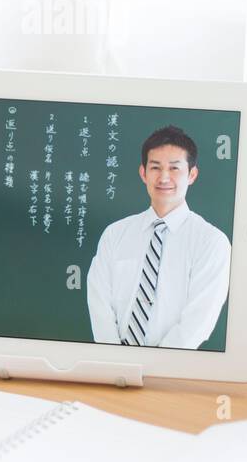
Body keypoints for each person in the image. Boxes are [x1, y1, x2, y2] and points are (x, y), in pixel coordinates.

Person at [86, 125, 230, 349]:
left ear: (192, 174)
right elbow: (99, 303)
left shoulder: (211, 242)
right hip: (110, 365)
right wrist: (114, 358)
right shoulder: (115, 234)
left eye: (174, 168)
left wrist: (157, 363)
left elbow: (200, 318)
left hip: (172, 369)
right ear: (143, 173)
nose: (164, 177)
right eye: (155, 167)